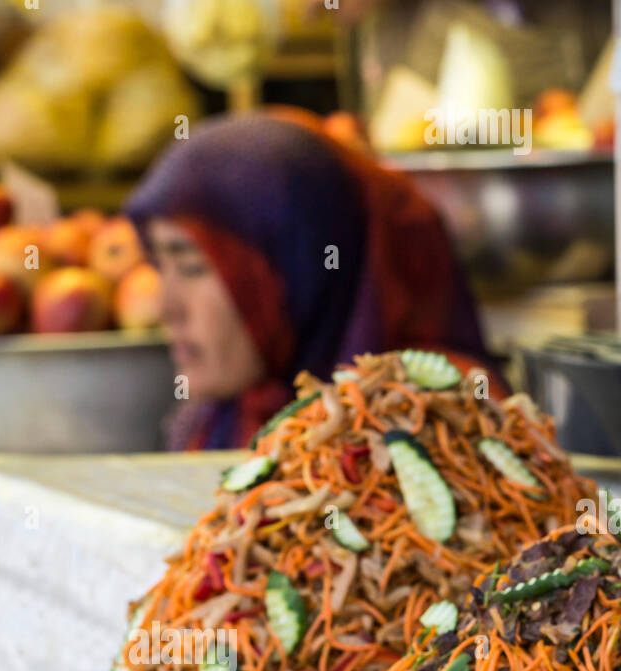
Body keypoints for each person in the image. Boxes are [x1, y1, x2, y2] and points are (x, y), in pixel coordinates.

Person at [125, 109, 492, 451]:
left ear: (298, 268)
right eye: (158, 265)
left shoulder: (445, 419)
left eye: (192, 267)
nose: (166, 308)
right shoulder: (224, 419)